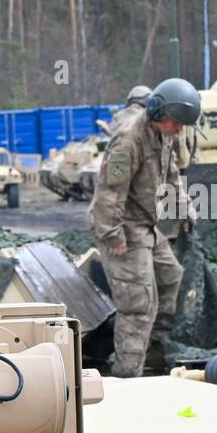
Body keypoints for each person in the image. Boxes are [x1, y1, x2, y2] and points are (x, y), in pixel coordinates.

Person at [88, 77, 201, 378]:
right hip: (122, 227)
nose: (179, 129)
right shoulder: (129, 139)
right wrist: (113, 236)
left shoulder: (166, 135)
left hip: (146, 226)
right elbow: (109, 193)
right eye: (176, 123)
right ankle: (127, 377)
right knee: (138, 306)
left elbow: (172, 176)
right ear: (159, 113)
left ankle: (151, 356)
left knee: (170, 278)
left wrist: (184, 209)